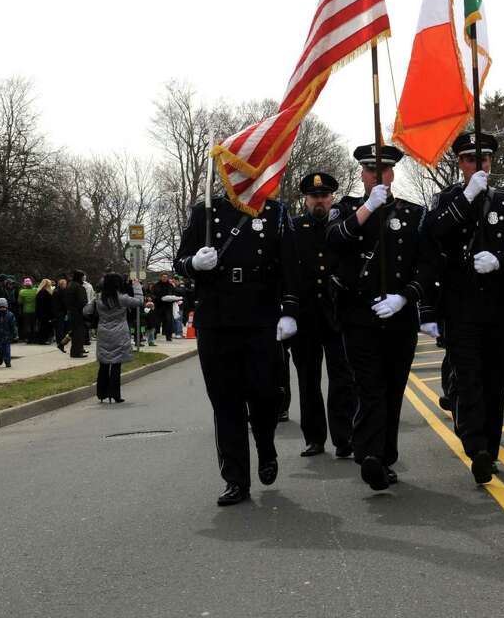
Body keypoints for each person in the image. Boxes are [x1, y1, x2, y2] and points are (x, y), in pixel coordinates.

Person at [175, 190, 299, 507]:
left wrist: (289, 310)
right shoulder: (204, 211)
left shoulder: (275, 212)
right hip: (216, 317)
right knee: (225, 401)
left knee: (265, 394)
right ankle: (235, 480)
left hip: (260, 315)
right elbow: (180, 261)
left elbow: (289, 265)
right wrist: (195, 264)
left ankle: (266, 446)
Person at [326, 145, 438, 490]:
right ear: (361, 174)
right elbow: (334, 241)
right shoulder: (345, 209)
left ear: (392, 174)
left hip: (399, 316)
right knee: (370, 387)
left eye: (384, 171)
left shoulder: (414, 213)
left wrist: (406, 297)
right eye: (370, 171)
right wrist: (368, 207)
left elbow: (429, 264)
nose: (377, 176)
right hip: (359, 316)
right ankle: (371, 456)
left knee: (392, 389)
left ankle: (385, 456)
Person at [426, 131, 504, 485]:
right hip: (461, 307)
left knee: (495, 380)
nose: (479, 165)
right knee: (469, 379)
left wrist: (501, 260)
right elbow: (435, 236)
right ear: (460, 164)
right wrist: (467, 197)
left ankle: (491, 447)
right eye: (471, 160)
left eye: (484, 159)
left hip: (499, 307)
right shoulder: (446, 200)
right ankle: (477, 448)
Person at [290, 170, 356, 459]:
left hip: (337, 316)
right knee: (308, 380)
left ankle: (345, 437)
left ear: (332, 199)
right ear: (305, 200)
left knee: (342, 378)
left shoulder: (343, 227)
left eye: (325, 196)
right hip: (305, 317)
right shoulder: (292, 228)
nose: (320, 201)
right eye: (314, 197)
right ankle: (314, 438)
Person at [84, 273, 143, 403]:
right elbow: (139, 301)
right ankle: (115, 394)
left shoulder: (99, 298)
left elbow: (86, 311)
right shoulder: (122, 298)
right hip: (120, 332)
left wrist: (93, 300)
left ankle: (101, 393)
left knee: (104, 364)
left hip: (103, 331)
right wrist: (137, 286)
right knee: (116, 364)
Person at [64, 271, 90, 358]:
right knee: (79, 333)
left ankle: (74, 350)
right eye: (82, 277)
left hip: (71, 312)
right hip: (78, 313)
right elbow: (82, 301)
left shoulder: (70, 285)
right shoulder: (78, 287)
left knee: (75, 332)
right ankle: (77, 352)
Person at [151, 273, 178, 342]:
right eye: (163, 277)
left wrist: (172, 299)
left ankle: (168, 336)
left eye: (166, 277)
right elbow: (152, 295)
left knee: (168, 321)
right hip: (158, 306)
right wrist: (158, 298)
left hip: (168, 306)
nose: (164, 278)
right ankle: (154, 334)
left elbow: (174, 294)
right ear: (161, 277)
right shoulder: (156, 285)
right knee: (156, 321)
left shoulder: (170, 286)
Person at [0, 297, 18, 367]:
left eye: (4, 307)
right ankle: (0, 357)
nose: (2, 309)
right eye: (1, 307)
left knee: (7, 350)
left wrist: (15, 334)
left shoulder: (10, 315)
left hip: (7, 336)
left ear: (6, 307)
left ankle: (7, 361)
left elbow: (13, 325)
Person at [34, 279, 54, 344]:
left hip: (40, 313)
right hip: (47, 313)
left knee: (41, 326)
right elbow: (50, 305)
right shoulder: (48, 293)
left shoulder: (38, 292)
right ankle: (46, 339)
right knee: (46, 327)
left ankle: (41, 339)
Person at [17, 278, 37, 342]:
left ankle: (28, 339)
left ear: (25, 284)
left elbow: (19, 302)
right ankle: (34, 338)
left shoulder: (22, 292)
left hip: (26, 310)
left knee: (27, 325)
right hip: (34, 310)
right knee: (34, 324)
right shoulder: (35, 291)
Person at [53, 277, 70, 350]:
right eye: (65, 284)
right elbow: (64, 302)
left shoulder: (55, 291)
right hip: (61, 311)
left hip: (57, 311)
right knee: (61, 327)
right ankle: (60, 340)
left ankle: (59, 339)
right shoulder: (62, 292)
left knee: (59, 327)